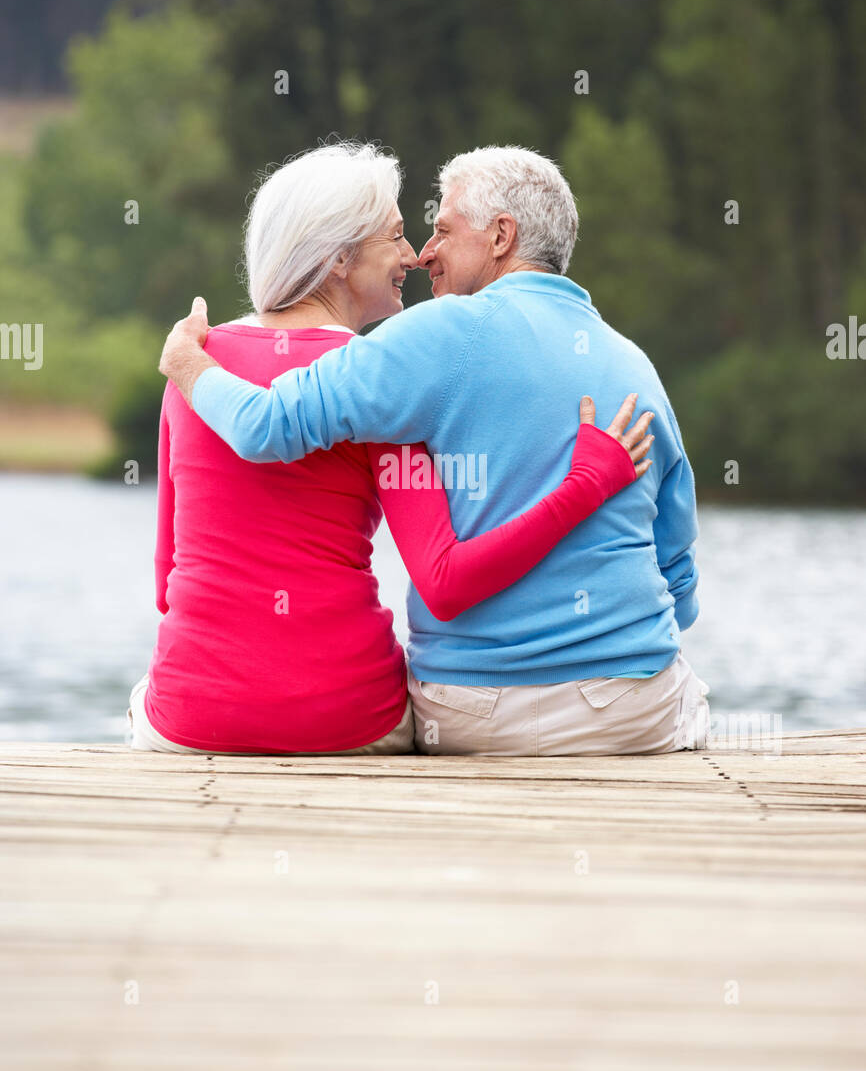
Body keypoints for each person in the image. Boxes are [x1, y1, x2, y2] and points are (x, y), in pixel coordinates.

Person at [160, 143, 710, 757]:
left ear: (502, 236)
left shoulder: (429, 339)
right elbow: (679, 580)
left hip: (471, 711)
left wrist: (185, 362)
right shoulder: (637, 367)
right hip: (629, 707)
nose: (424, 254)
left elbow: (266, 425)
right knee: (688, 697)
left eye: (442, 230)